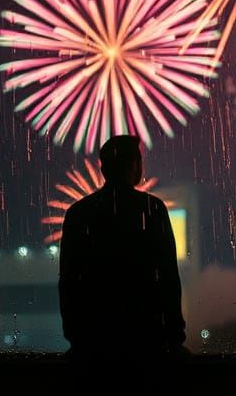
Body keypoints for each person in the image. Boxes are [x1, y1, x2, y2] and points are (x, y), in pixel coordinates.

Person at [58, 134, 187, 359]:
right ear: (135, 165)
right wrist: (174, 337)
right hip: (147, 340)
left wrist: (77, 337)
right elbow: (168, 278)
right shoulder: (152, 209)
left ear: (103, 168)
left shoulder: (79, 213)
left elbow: (68, 281)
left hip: (94, 343)